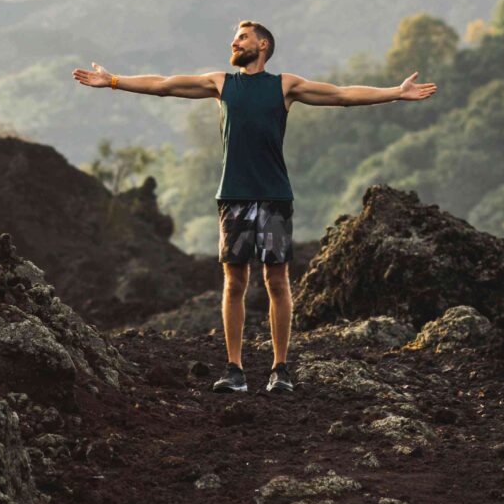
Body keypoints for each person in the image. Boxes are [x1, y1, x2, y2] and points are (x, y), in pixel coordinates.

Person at [72, 20, 436, 393]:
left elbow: (342, 94)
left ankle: (280, 369)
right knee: (234, 282)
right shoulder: (221, 83)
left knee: (277, 280)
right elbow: (165, 85)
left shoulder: (285, 86)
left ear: (262, 45)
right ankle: (235, 370)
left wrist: (396, 92)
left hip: (274, 195)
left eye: (242, 37)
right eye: (235, 37)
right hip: (233, 196)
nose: (234, 41)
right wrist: (114, 81)